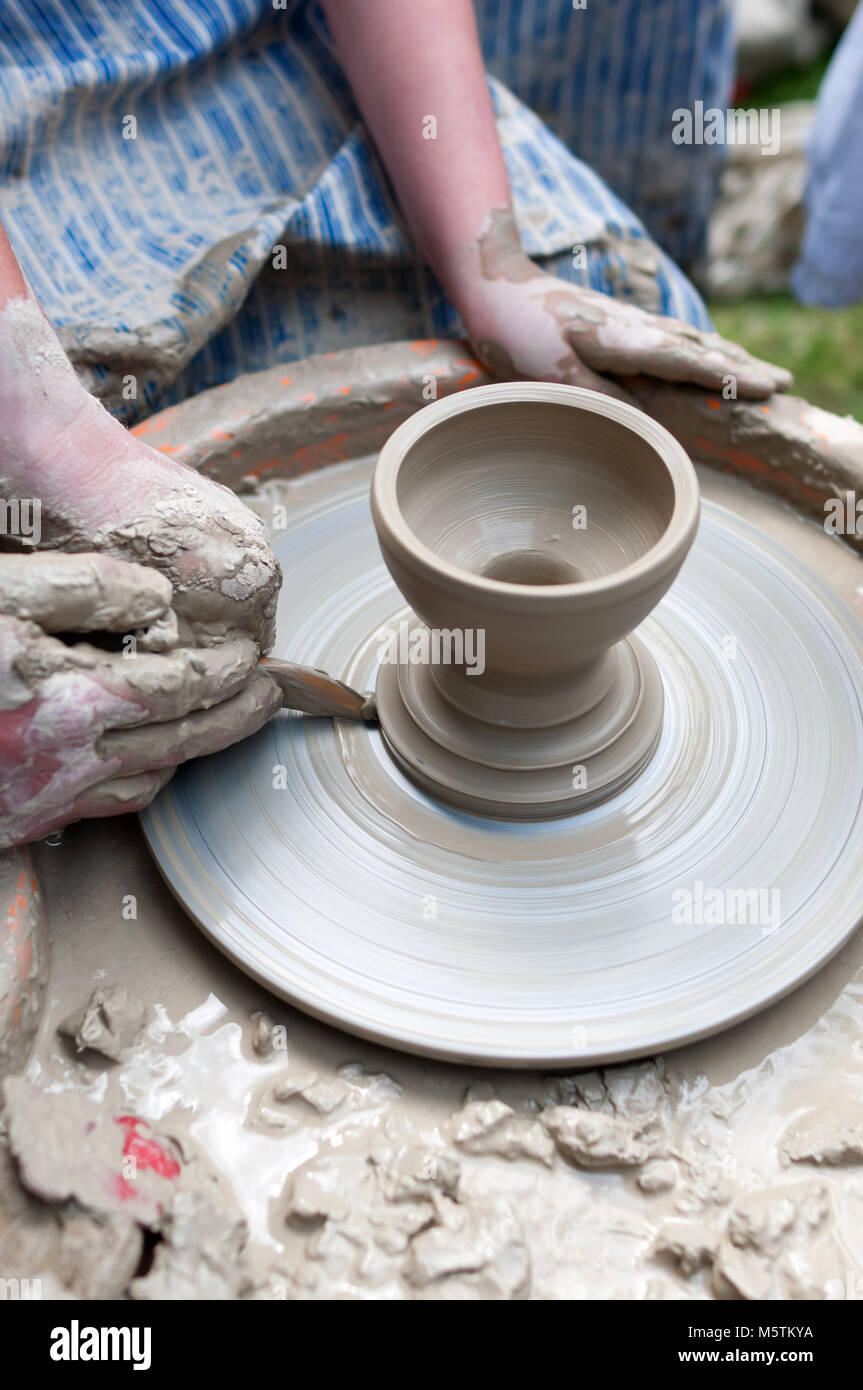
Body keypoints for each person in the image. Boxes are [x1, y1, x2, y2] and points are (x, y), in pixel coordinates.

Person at [0, 0, 789, 848]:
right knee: (90, 671)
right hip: (27, 135)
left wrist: (494, 267)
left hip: (282, 48)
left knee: (638, 324)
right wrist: (51, 437)